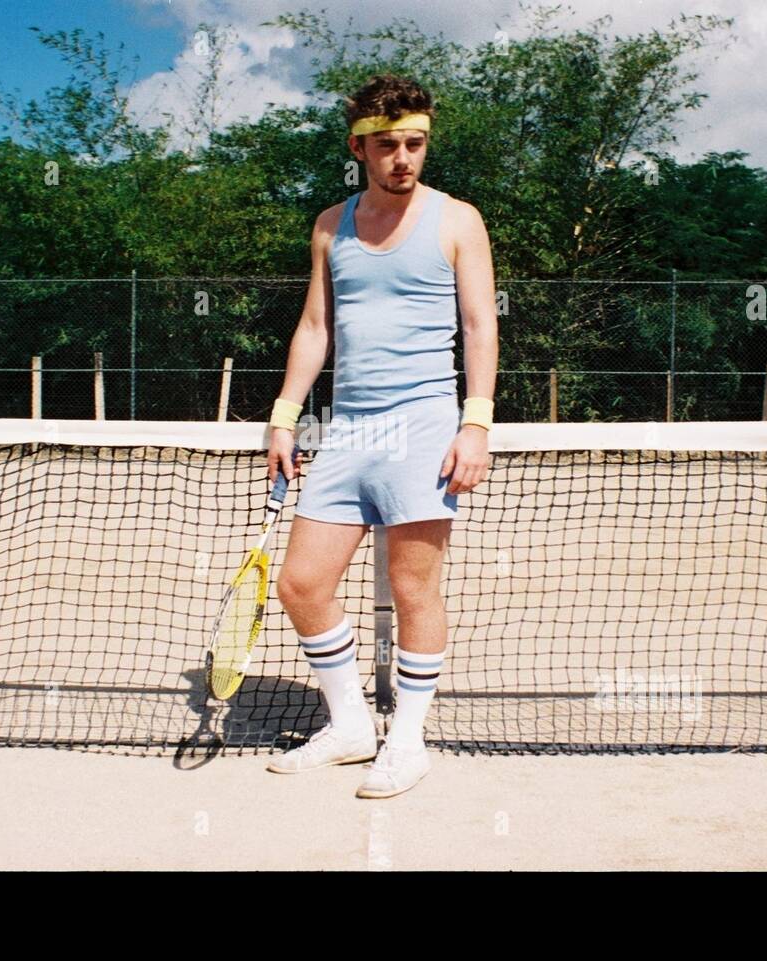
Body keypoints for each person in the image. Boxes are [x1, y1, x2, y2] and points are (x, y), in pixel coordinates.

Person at [263, 74, 498, 798]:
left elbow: (481, 324)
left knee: (412, 585)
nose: (404, 157)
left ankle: (408, 739)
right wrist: (283, 413)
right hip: (347, 430)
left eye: (416, 143)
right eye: (389, 144)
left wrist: (476, 423)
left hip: (426, 425)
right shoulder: (330, 224)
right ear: (358, 146)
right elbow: (315, 327)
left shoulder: (459, 220)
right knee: (301, 583)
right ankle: (351, 726)